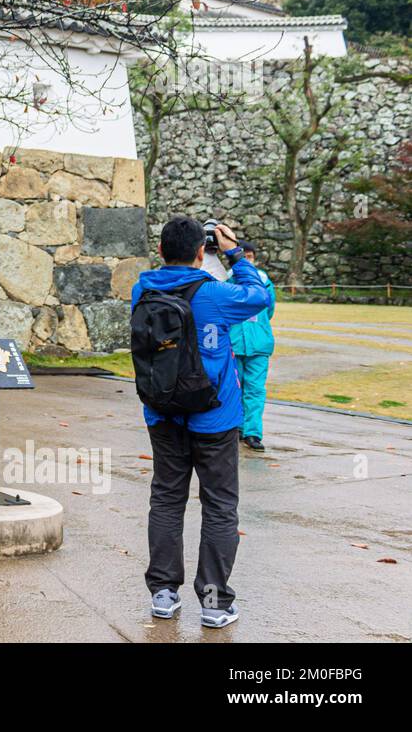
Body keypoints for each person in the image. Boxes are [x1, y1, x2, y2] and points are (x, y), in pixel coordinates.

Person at [131, 217, 269, 629]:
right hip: (214, 416)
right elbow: (259, 295)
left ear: (160, 250)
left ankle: (163, 594)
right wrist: (232, 251)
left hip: (162, 412)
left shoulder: (143, 289)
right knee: (220, 506)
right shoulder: (215, 293)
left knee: (167, 499)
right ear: (199, 253)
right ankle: (213, 602)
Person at [229, 242, 276, 452]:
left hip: (258, 344)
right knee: (235, 387)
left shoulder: (264, 281)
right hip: (234, 342)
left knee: (255, 389)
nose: (247, 261)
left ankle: (253, 432)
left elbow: (269, 310)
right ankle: (237, 426)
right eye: (243, 256)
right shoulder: (228, 280)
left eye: (250, 257)